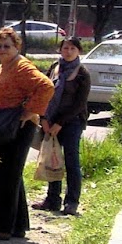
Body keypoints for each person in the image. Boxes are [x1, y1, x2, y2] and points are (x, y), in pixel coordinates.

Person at [0, 27, 54, 240]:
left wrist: (29, 111)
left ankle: (2, 227)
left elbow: (46, 86)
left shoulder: (21, 66)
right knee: (10, 174)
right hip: (5, 124)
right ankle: (18, 224)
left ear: (17, 46)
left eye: (7, 46)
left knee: (7, 176)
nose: (2, 50)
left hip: (17, 126)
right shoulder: (5, 65)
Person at [36, 36, 91, 215]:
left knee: (71, 161)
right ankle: (52, 199)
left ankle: (72, 201)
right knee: (53, 159)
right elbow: (43, 92)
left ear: (78, 51)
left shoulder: (82, 73)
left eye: (72, 49)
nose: (68, 52)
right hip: (50, 121)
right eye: (65, 48)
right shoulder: (54, 68)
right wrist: (43, 118)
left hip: (72, 122)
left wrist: (60, 123)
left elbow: (79, 104)